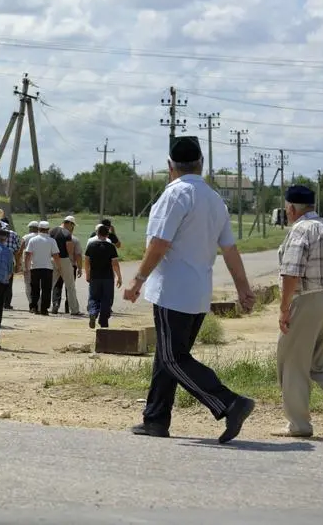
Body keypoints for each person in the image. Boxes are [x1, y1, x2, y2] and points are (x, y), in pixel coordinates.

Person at [123, 135, 256, 444]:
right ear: (201, 164)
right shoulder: (214, 199)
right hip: (197, 293)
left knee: (172, 358)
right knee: (167, 356)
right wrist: (243, 289)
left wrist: (137, 279)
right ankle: (155, 419)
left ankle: (229, 402)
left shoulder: (176, 195)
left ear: (170, 166)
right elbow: (231, 249)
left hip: (173, 291)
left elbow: (159, 244)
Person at [273, 185, 323, 438]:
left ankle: (299, 424)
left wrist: (284, 308)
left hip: (308, 299)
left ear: (290, 208)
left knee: (292, 363)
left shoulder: (301, 229)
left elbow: (292, 272)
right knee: (318, 363)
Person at [84, 225, 122, 329]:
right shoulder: (111, 247)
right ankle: (103, 320)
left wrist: (87, 274)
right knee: (106, 298)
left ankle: (93, 312)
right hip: (108, 277)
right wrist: (119, 276)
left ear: (97, 233)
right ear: (107, 235)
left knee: (93, 297)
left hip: (94, 276)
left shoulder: (91, 245)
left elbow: (87, 262)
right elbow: (115, 263)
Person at [24, 221, 60, 316]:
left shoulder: (33, 240)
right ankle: (44, 309)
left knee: (35, 288)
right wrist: (58, 266)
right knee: (46, 289)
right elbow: (56, 255)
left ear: (39, 229)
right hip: (47, 268)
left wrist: (27, 267)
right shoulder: (52, 241)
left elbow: (28, 254)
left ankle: (34, 307)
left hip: (35, 267)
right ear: (48, 230)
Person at [50, 215, 80, 315]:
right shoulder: (67, 233)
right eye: (73, 225)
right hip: (64, 259)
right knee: (70, 286)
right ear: (69, 224)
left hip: (52, 259)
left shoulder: (52, 231)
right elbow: (70, 250)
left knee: (49, 285)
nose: (72, 228)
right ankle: (74, 309)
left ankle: (41, 306)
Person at [60, 233, 84, 314]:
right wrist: (80, 268)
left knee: (57, 286)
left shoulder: (56, 237)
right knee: (70, 287)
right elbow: (78, 255)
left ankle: (55, 305)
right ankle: (69, 308)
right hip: (71, 265)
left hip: (58, 263)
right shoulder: (75, 239)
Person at [0, 217, 20, 310]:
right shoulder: (14, 234)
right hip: (9, 261)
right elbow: (16, 251)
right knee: (8, 282)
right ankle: (7, 303)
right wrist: (18, 264)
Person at [19, 221, 39, 304]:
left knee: (28, 283)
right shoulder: (40, 237)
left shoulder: (25, 237)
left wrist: (18, 262)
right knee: (37, 283)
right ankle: (38, 302)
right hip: (37, 262)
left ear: (30, 228)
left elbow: (20, 250)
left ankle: (31, 302)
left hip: (26, 262)